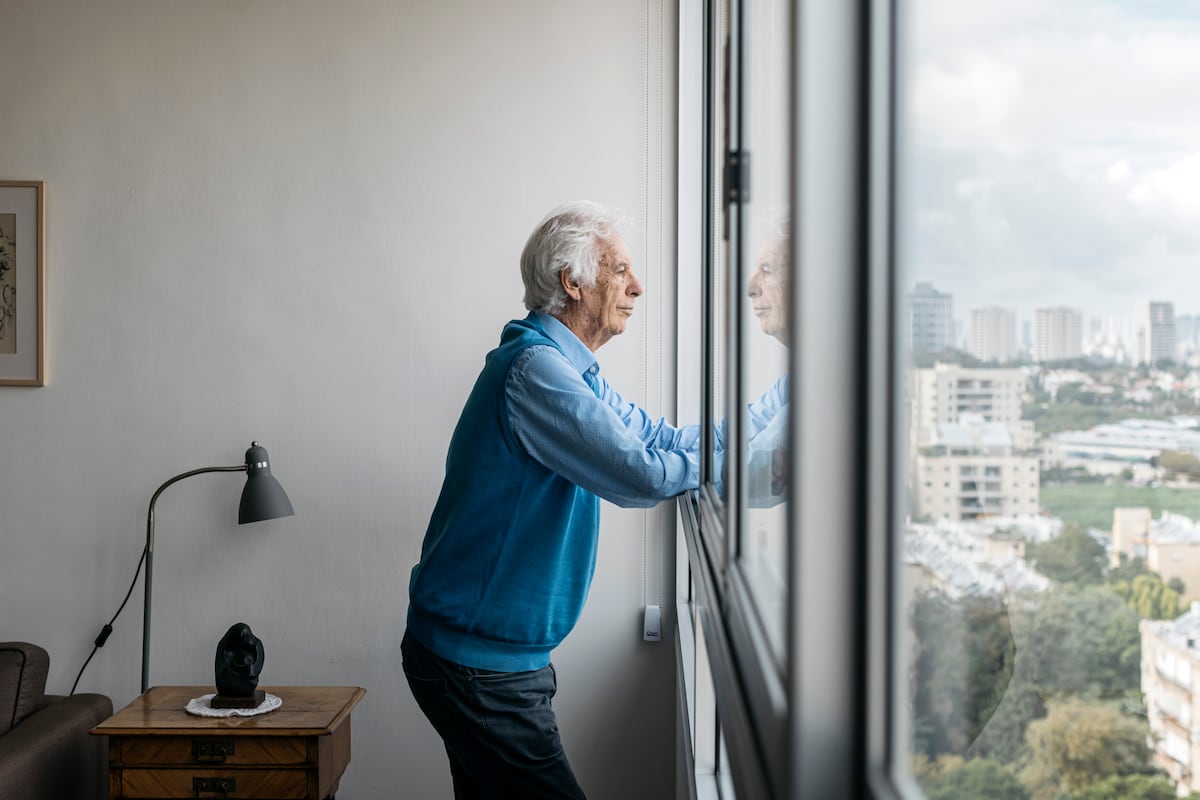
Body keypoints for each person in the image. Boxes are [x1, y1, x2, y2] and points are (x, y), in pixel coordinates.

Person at [402, 201, 700, 799]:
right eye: (619, 270)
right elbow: (642, 475)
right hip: (478, 668)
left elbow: (662, 441)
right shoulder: (537, 371)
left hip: (497, 662)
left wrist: (761, 431)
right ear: (573, 282)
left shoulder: (571, 370)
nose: (636, 287)